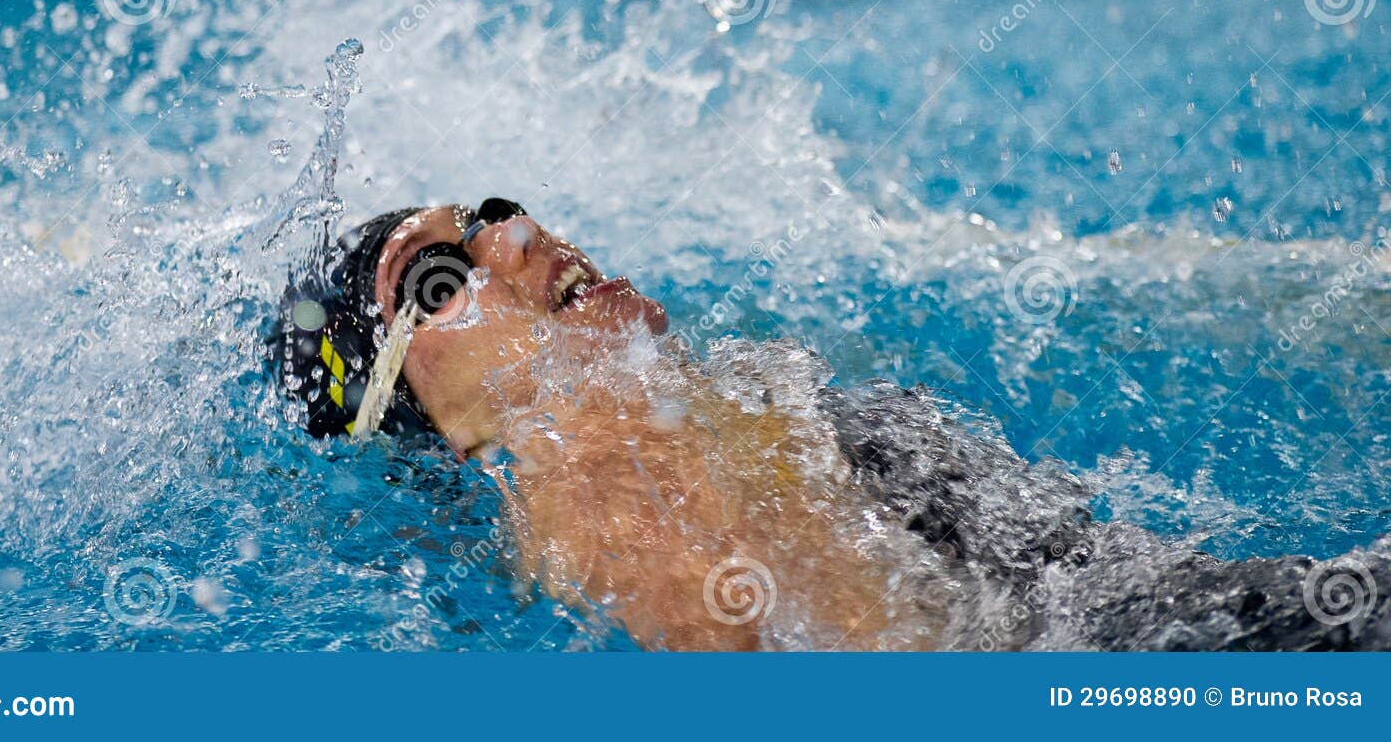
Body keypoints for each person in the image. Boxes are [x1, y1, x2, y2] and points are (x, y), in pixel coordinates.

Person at [272, 199, 1391, 650]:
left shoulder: (743, 404)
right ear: (434, 427)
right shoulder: (610, 505)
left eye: (489, 214)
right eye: (433, 279)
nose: (513, 237)